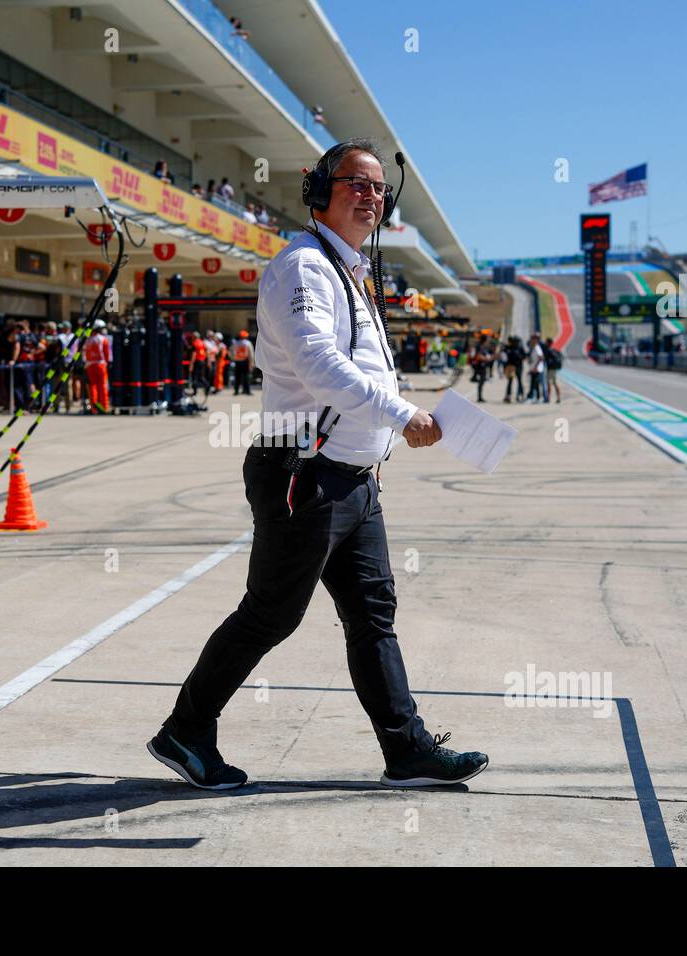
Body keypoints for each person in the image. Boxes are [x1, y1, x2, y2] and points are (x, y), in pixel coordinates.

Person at [149, 137, 488, 791]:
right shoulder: (303, 267)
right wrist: (401, 418)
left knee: (373, 614)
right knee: (272, 613)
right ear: (319, 193)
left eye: (378, 188)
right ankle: (185, 730)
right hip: (302, 474)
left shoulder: (349, 270)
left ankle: (407, 748)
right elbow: (318, 364)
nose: (371, 195)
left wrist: (401, 422)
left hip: (354, 480)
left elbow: (362, 368)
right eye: (356, 183)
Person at [82, 319, 113, 413]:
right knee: (103, 386)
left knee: (92, 387)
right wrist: (108, 363)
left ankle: (94, 408)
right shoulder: (103, 339)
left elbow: (84, 353)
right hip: (101, 364)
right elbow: (107, 354)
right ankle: (104, 407)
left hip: (89, 365)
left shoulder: (87, 339)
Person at [231, 329, 254, 395]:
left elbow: (231, 351)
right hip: (245, 361)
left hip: (237, 361)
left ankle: (236, 391)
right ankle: (247, 391)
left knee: (237, 377)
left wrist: (233, 358)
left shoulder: (236, 343)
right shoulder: (248, 343)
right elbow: (251, 354)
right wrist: (251, 363)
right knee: (246, 376)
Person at [526, 332, 545, 403]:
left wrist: (535, 367)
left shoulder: (537, 348)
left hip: (537, 369)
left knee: (534, 384)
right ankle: (537, 398)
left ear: (536, 340)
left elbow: (541, 357)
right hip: (534, 368)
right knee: (535, 384)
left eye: (533, 339)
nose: (531, 341)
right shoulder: (533, 348)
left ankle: (532, 397)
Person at [544, 337, 563, 403]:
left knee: (549, 383)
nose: (545, 343)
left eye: (546, 342)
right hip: (554, 369)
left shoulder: (548, 350)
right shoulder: (554, 350)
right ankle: (558, 397)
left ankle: (548, 398)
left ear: (548, 343)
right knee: (554, 383)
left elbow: (545, 359)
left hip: (550, 369)